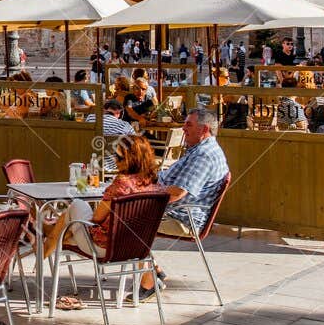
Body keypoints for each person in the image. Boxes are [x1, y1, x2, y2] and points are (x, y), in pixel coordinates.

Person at [52, 134, 169, 305]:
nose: (115, 160)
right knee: (71, 221)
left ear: (130, 159)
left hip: (105, 248)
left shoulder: (121, 184)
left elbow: (97, 218)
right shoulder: (155, 186)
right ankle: (59, 237)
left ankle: (51, 240)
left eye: (119, 157)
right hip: (137, 249)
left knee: (76, 205)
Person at [158, 107, 230, 236]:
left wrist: (143, 195)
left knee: (121, 215)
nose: (183, 128)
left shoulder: (204, 155)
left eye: (189, 125)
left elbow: (177, 193)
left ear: (204, 129)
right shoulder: (200, 149)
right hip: (172, 212)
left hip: (179, 219)